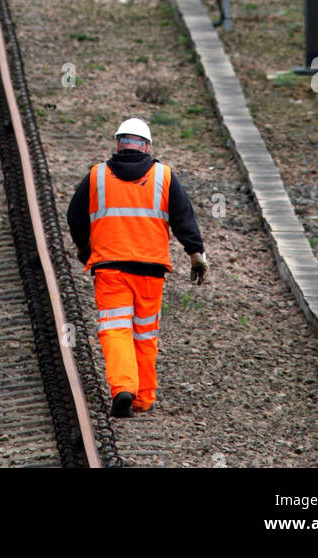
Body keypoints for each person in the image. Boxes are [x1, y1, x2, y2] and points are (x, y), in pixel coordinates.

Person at [67, 118, 209, 418]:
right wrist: (196, 254)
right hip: (151, 271)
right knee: (145, 335)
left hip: (111, 270)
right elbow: (184, 218)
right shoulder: (164, 176)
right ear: (147, 146)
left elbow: (75, 216)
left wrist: (84, 248)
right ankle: (143, 397)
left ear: (118, 143)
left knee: (115, 329)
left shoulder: (97, 176)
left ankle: (123, 389)